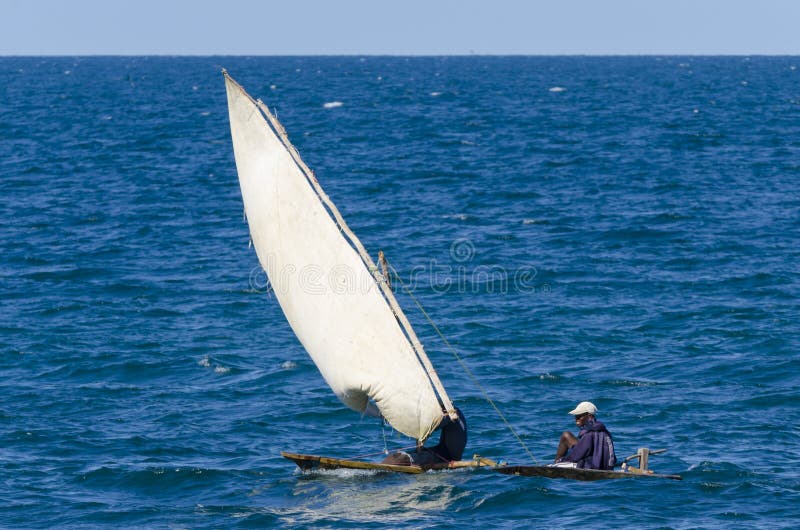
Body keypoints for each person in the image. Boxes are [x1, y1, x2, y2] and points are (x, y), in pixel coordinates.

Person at [382, 407, 467, 466]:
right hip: (441, 452)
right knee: (398, 456)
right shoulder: (451, 413)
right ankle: (382, 467)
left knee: (402, 458)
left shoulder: (452, 414)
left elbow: (430, 428)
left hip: (447, 457)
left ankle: (381, 470)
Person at [554, 401, 616, 470]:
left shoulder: (589, 433)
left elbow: (576, 456)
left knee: (565, 436)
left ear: (589, 416)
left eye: (579, 416)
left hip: (590, 467)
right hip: (607, 467)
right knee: (566, 435)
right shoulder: (605, 432)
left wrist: (561, 461)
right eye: (575, 416)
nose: (576, 419)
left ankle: (555, 465)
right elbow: (613, 458)